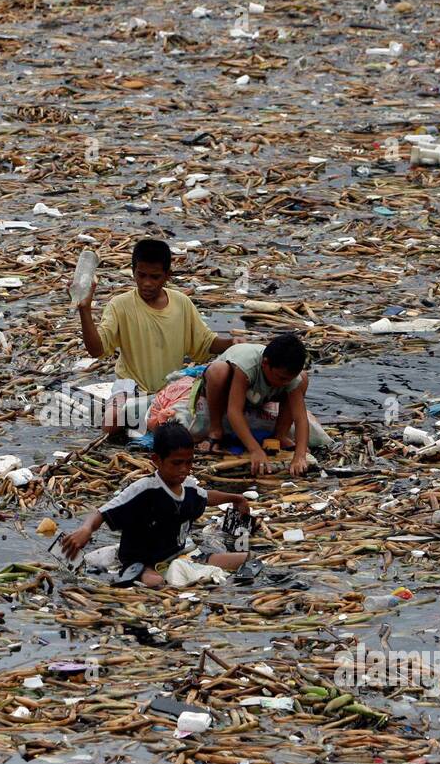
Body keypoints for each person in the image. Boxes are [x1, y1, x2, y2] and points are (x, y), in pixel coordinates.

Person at [58, 422, 258, 587]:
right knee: (157, 584)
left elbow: (206, 497)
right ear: (157, 460)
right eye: (176, 463)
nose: (184, 470)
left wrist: (236, 498)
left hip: (180, 554)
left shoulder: (188, 487)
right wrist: (85, 530)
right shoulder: (144, 490)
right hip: (142, 562)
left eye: (189, 463)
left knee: (248, 559)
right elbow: (102, 512)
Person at [75, 239, 238, 437]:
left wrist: (231, 344)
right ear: (133, 271)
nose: (147, 283)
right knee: (111, 425)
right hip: (131, 387)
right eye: (141, 275)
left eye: (155, 277)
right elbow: (96, 349)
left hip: (170, 389)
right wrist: (84, 310)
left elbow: (205, 342)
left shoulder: (181, 304)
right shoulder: (120, 305)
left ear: (167, 275)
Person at [196, 333, 325, 477]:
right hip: (228, 390)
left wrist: (299, 456)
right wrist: (255, 450)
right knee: (218, 371)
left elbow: (300, 418)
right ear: (265, 364)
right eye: (281, 378)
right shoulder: (247, 365)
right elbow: (234, 411)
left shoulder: (288, 378)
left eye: (288, 379)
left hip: (258, 396)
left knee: (302, 379)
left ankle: (280, 434)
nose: (284, 383)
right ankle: (216, 430)